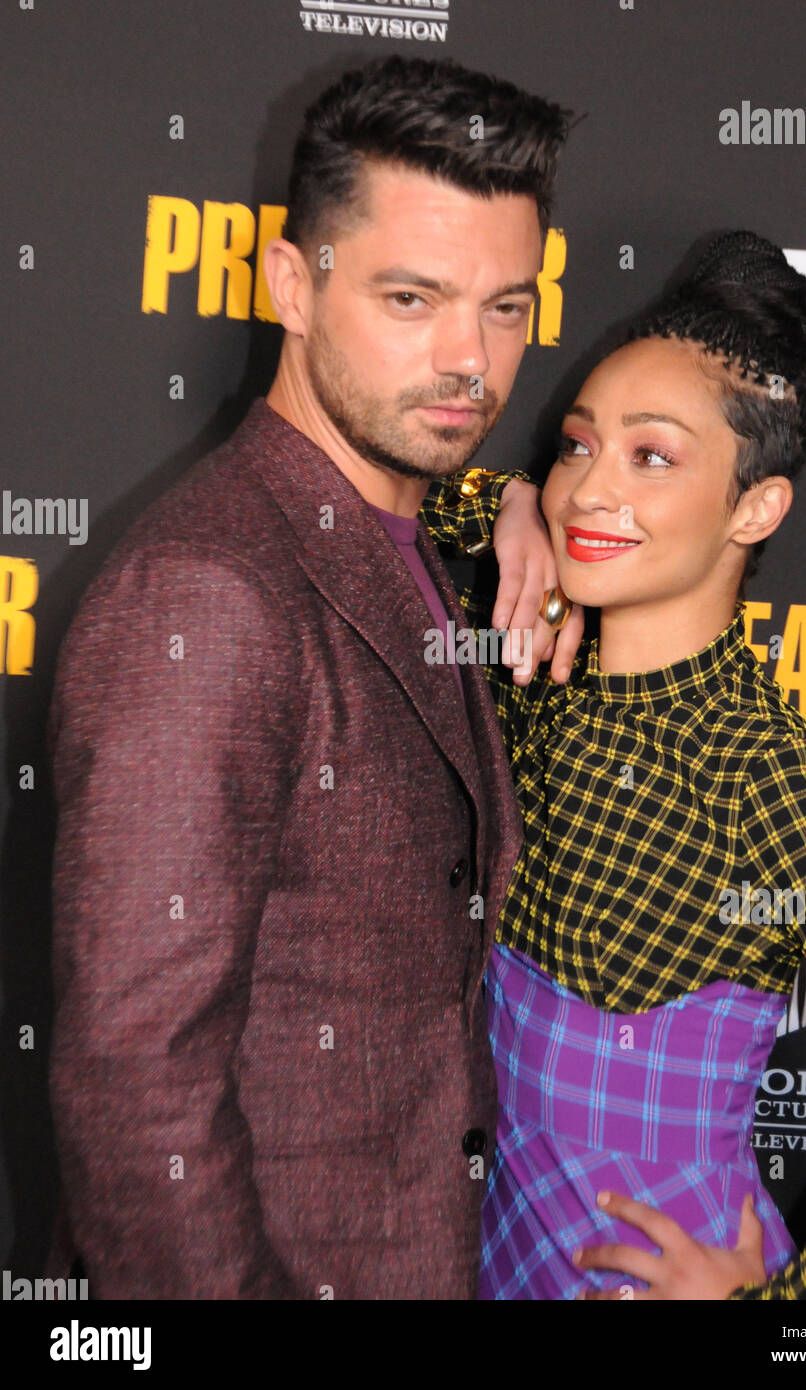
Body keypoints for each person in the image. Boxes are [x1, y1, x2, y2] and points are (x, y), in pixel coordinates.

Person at [43, 54, 575, 1300]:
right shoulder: (209, 592)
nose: (468, 360)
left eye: (505, 307)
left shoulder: (402, 536)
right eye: (410, 298)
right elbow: (137, 1088)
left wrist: (518, 499)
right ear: (293, 282)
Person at [420, 230, 806, 1299]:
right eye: (577, 447)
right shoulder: (534, 671)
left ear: (754, 507)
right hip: (483, 1255)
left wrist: (785, 1312)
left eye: (651, 457)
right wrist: (511, 504)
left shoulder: (765, 771)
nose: (587, 490)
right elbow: (403, 499)